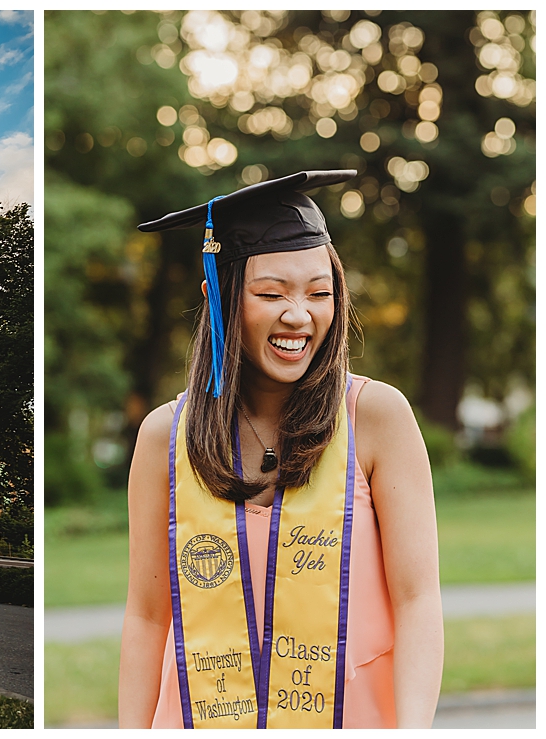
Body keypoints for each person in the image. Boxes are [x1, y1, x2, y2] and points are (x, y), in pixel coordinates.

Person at [117, 171, 442, 728]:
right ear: (218, 297)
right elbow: (148, 618)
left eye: (320, 293)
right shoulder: (164, 437)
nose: (299, 315)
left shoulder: (375, 418)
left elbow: (417, 600)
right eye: (271, 294)